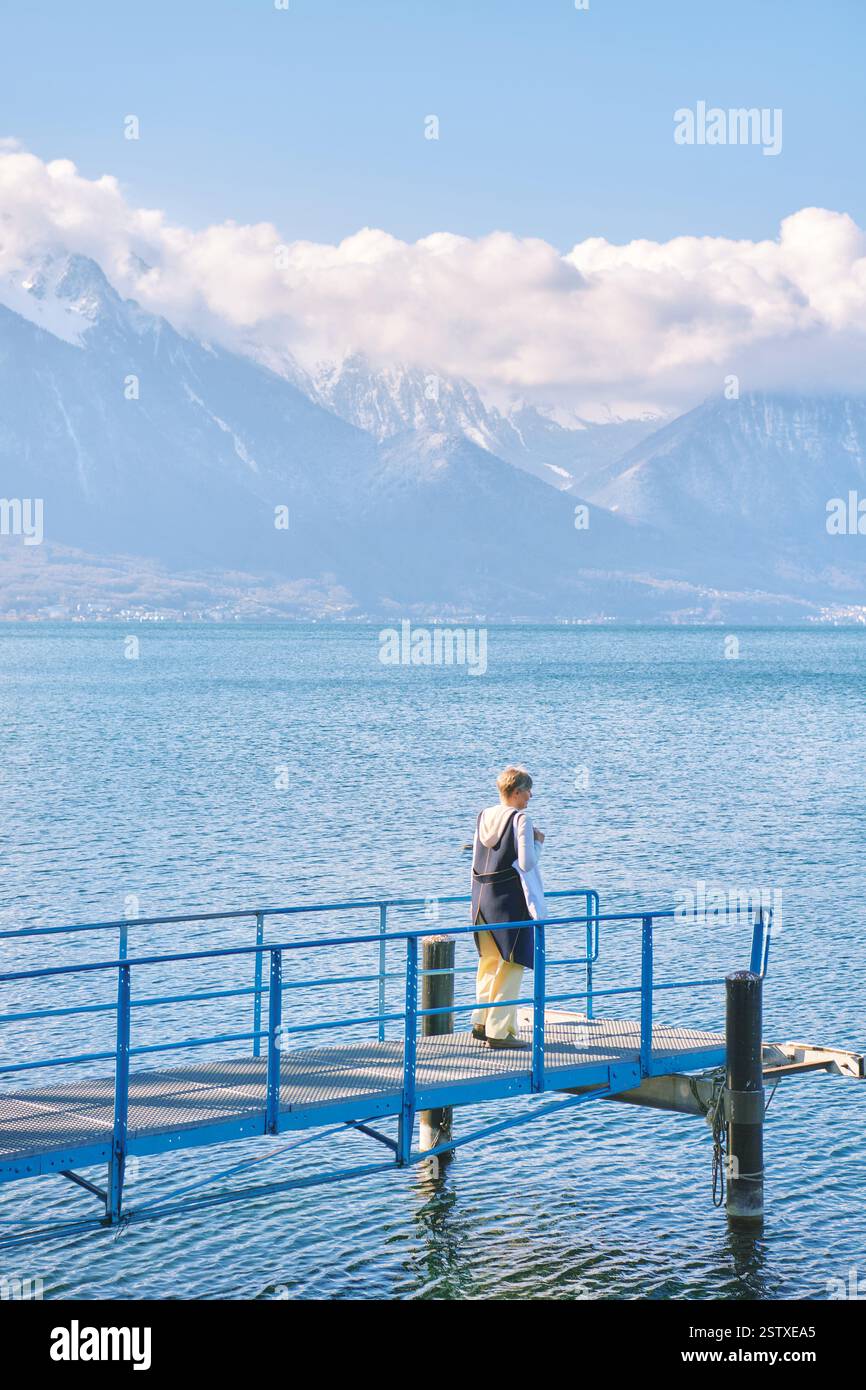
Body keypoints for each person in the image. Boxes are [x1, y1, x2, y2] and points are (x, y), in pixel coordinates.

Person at [470, 765, 546, 1050]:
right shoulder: (520, 820)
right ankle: (499, 1031)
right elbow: (526, 863)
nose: (530, 796)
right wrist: (538, 843)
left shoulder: (483, 816)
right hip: (509, 902)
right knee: (512, 964)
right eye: (528, 791)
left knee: (488, 961)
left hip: (481, 900)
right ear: (516, 792)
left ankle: (480, 1020)